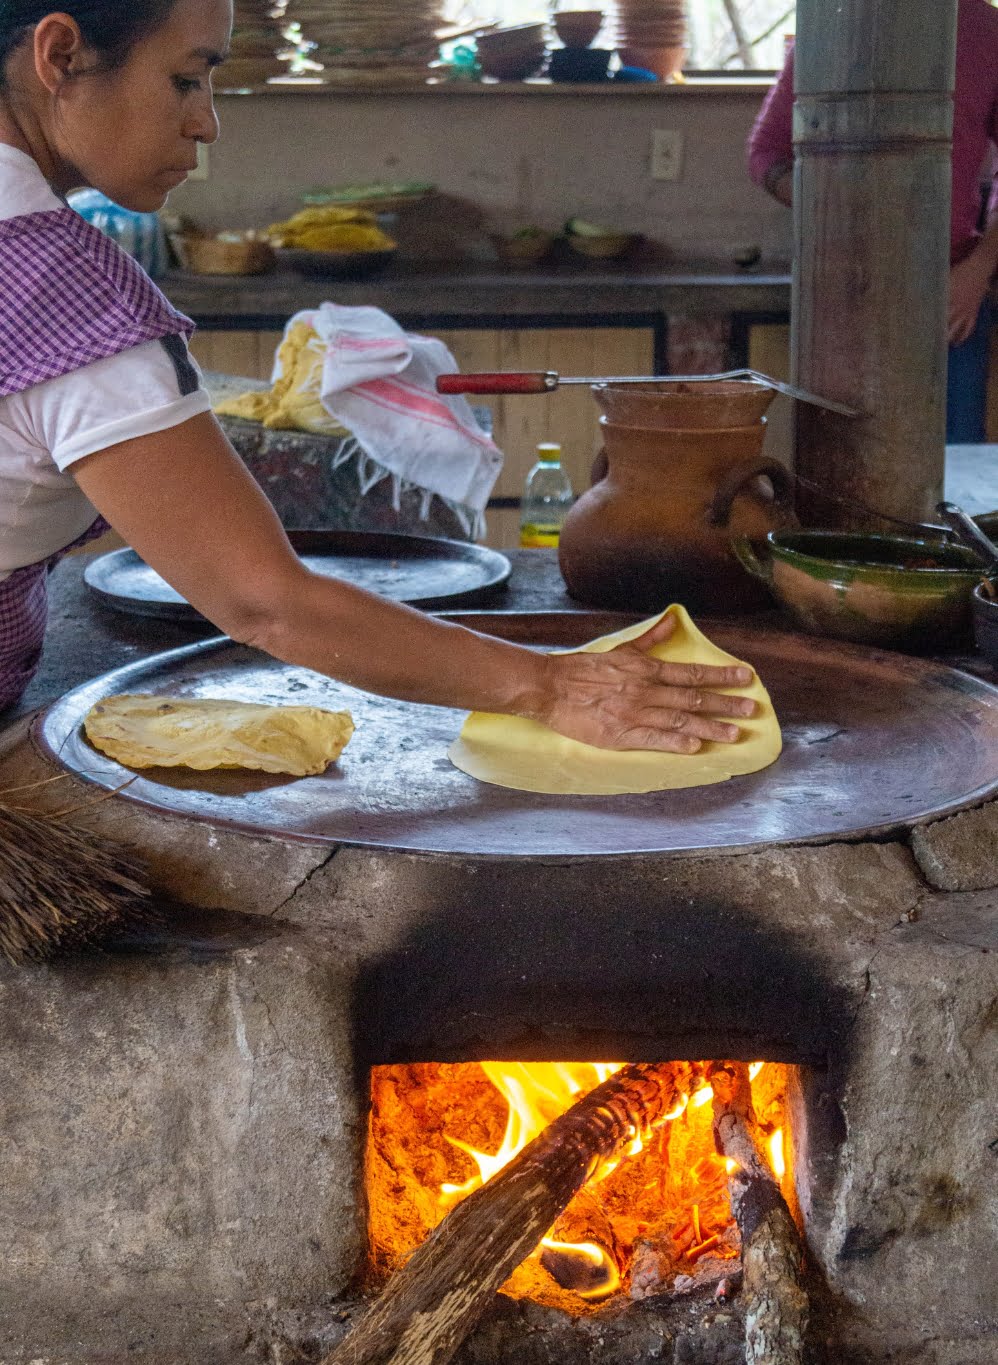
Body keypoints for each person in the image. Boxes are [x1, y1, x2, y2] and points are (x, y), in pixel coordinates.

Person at [0, 1, 757, 754]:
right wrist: (549, 686)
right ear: (61, 55)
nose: (207, 122)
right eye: (186, 78)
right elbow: (265, 602)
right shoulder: (67, 290)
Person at [747, 0, 998, 444]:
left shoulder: (984, 27)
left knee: (952, 460)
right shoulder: (832, 20)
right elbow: (766, 154)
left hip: (947, 290)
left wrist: (977, 272)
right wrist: (843, 212)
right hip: (841, 290)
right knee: (842, 458)